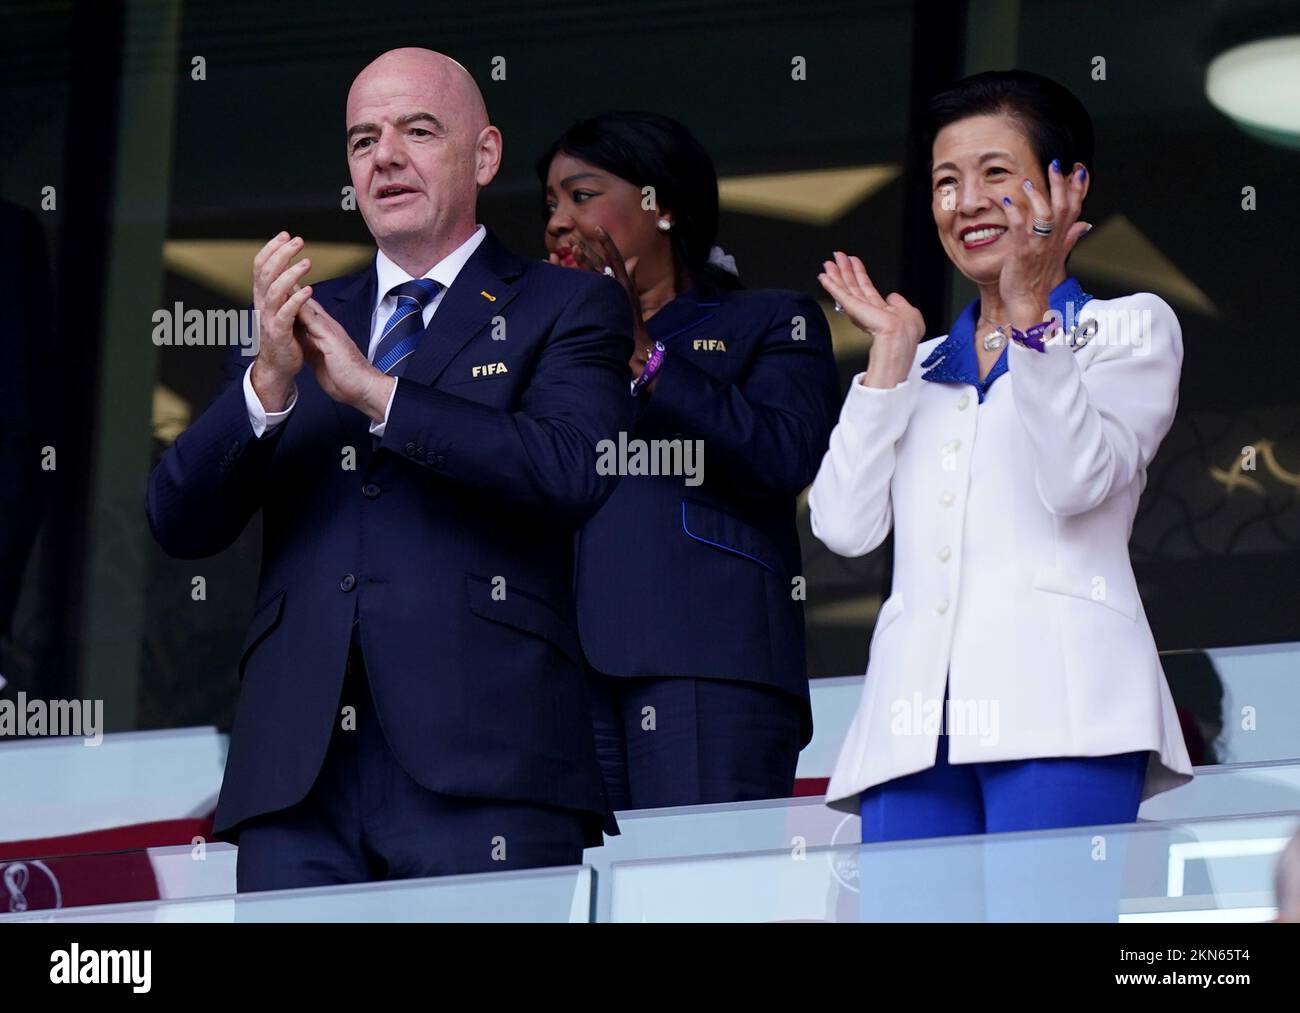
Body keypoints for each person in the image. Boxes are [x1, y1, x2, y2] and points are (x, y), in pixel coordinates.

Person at [147, 48, 634, 891]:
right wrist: (265, 385)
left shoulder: (566, 303)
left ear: (483, 155)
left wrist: (378, 392)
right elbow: (178, 519)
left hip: (491, 762)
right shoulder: (299, 318)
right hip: (296, 776)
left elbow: (571, 468)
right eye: (363, 139)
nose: (385, 157)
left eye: (416, 130)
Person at [809, 70, 1193, 844]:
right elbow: (843, 528)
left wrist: (1032, 317)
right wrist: (886, 361)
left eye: (994, 173)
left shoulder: (1129, 328)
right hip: (911, 727)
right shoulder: (913, 367)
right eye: (947, 181)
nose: (967, 201)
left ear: (1068, 186)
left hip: (1066, 708)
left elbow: (1076, 480)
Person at [538, 112, 840, 809]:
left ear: (662, 205)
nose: (557, 221)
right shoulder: (545, 350)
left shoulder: (767, 319)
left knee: (697, 894)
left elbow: (786, 454)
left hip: (707, 658)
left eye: (580, 195)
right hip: (558, 672)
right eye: (550, 204)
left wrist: (645, 356)